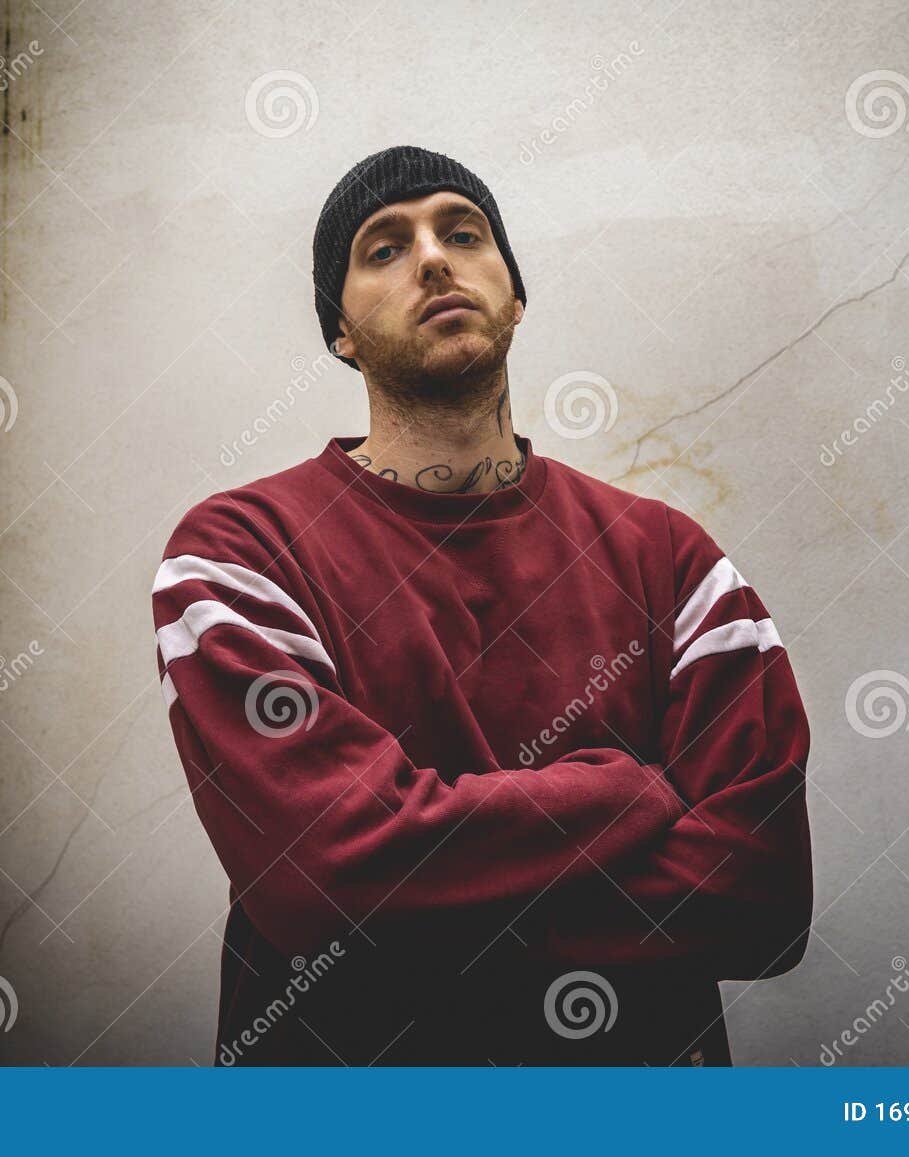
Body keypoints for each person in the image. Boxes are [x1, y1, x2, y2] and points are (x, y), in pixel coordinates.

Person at [150, 145, 812, 1065]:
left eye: (463, 233)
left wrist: (412, 915)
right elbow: (321, 881)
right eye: (382, 248)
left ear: (515, 294)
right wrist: (623, 792)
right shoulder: (239, 555)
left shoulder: (671, 561)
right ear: (338, 331)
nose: (432, 258)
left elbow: (762, 897)